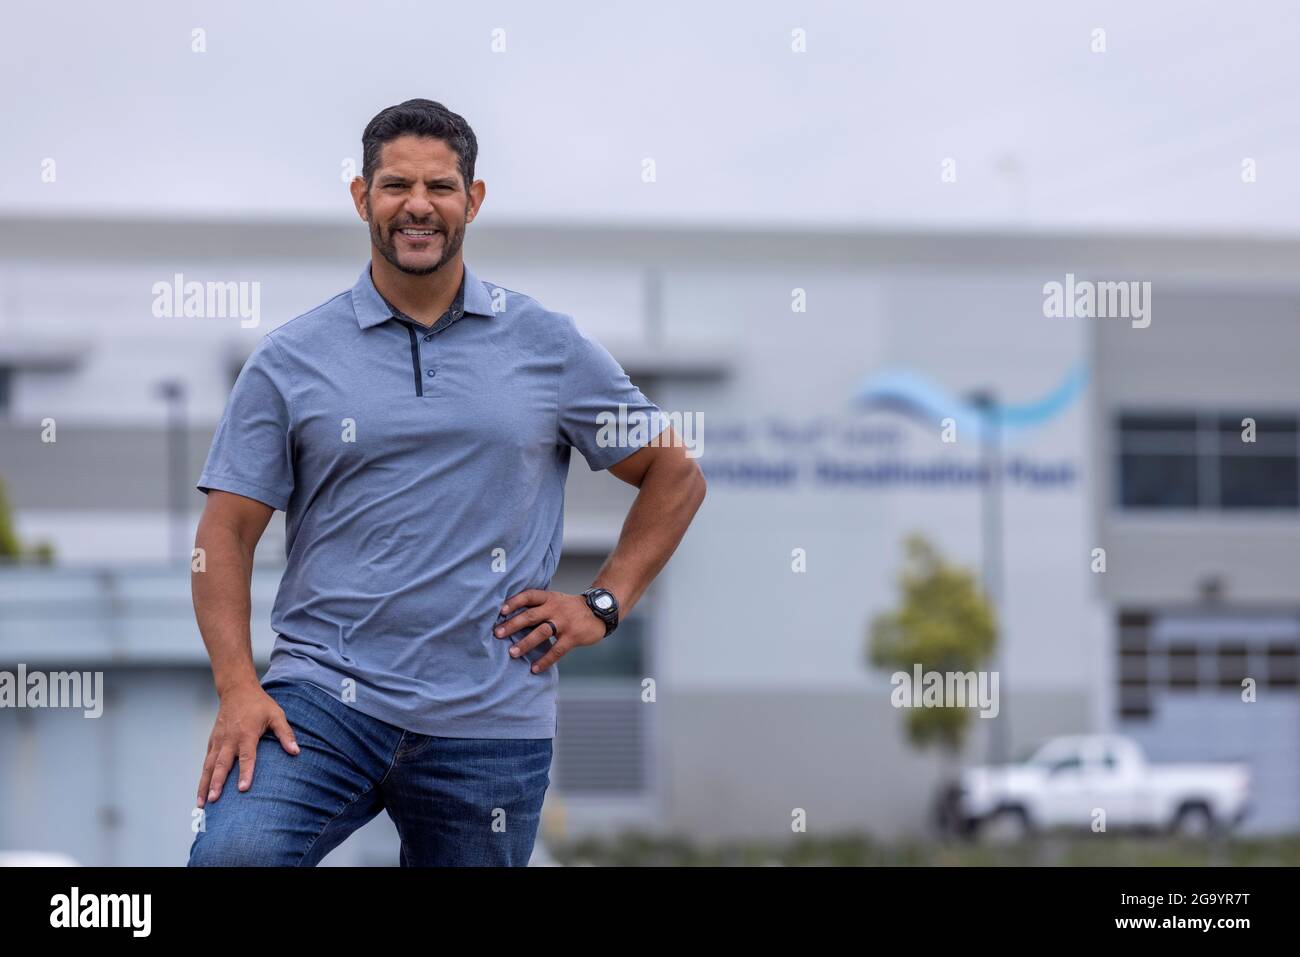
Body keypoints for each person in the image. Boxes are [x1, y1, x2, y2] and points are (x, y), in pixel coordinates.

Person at [186, 99, 706, 866]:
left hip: (490, 720)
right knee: (233, 859)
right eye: (396, 185)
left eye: (440, 186)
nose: (418, 206)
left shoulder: (547, 345)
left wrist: (602, 603)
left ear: (474, 199)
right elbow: (224, 534)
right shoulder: (291, 358)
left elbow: (675, 473)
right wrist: (237, 686)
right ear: (363, 198)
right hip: (322, 701)